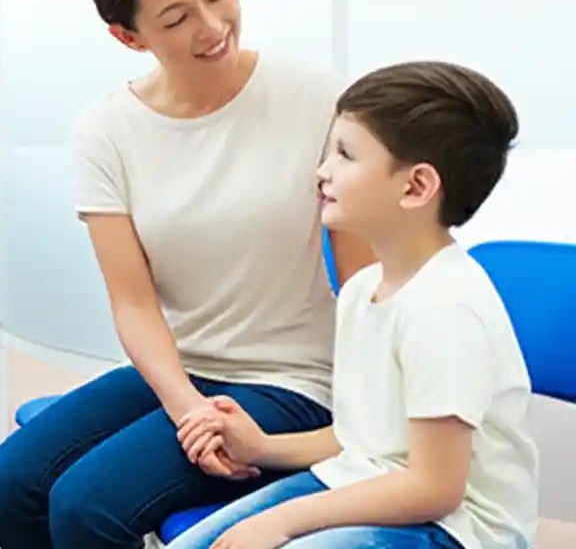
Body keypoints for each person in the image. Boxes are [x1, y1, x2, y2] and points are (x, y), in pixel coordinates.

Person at [0, 0, 373, 548]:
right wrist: (186, 406)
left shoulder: (316, 97)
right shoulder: (106, 131)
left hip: (293, 376)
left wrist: (372, 405)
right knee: (6, 486)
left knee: (84, 507)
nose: (212, 28)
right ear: (129, 37)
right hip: (181, 368)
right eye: (176, 18)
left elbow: (362, 274)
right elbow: (132, 300)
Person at [169, 61, 540, 549]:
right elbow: (363, 439)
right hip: (364, 482)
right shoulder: (363, 291)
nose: (322, 170)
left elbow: (435, 488)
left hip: (458, 528)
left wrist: (282, 521)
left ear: (416, 187)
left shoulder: (445, 310)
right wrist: (262, 447)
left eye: (345, 154)